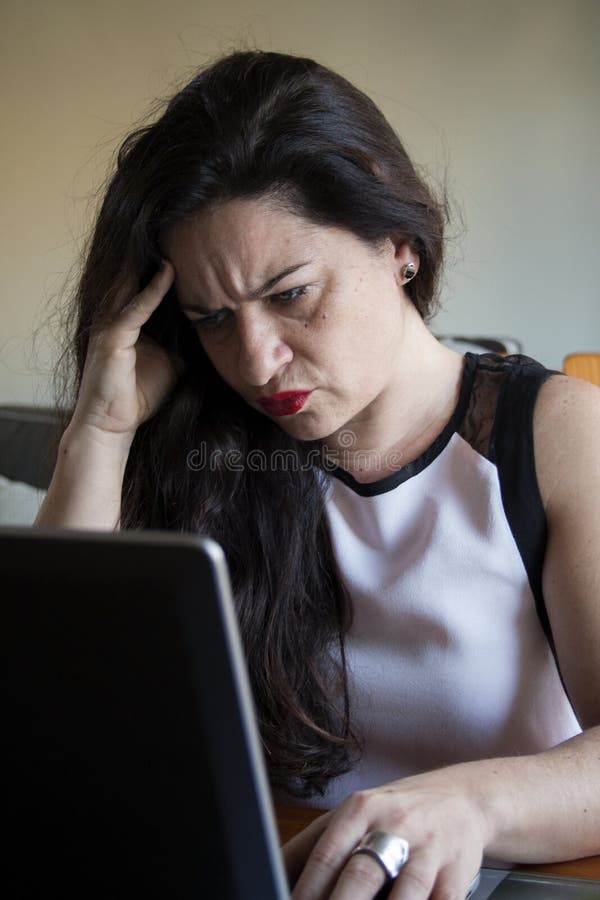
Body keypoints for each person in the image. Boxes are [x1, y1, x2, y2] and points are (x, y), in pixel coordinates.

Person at [37, 50, 600, 899]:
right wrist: (101, 431)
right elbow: (51, 715)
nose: (258, 361)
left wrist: (465, 806)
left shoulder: (549, 432)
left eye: (292, 293)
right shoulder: (208, 445)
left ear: (399, 245)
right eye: (214, 319)